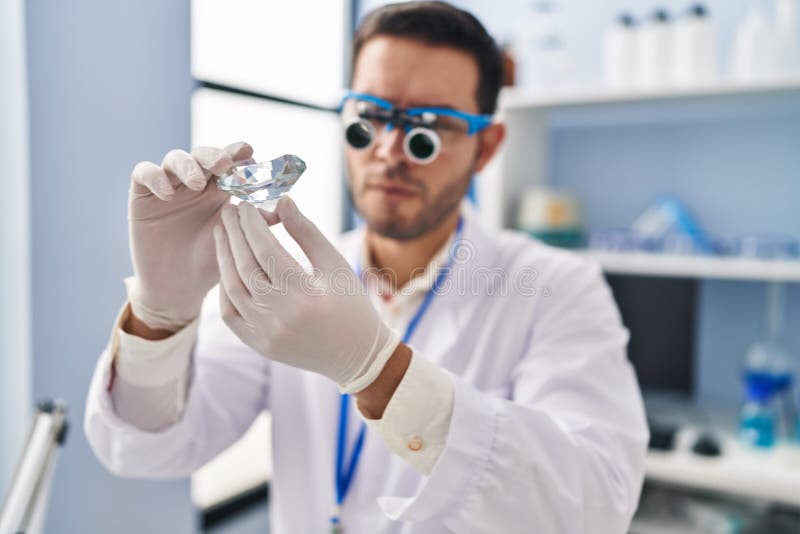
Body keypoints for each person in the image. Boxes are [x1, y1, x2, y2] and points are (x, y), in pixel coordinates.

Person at [84, 2, 648, 533]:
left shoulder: (557, 287)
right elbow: (148, 449)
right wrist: (162, 314)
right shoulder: (289, 286)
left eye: (430, 125)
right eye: (371, 116)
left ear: (486, 146)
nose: (390, 149)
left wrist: (378, 370)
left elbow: (594, 505)